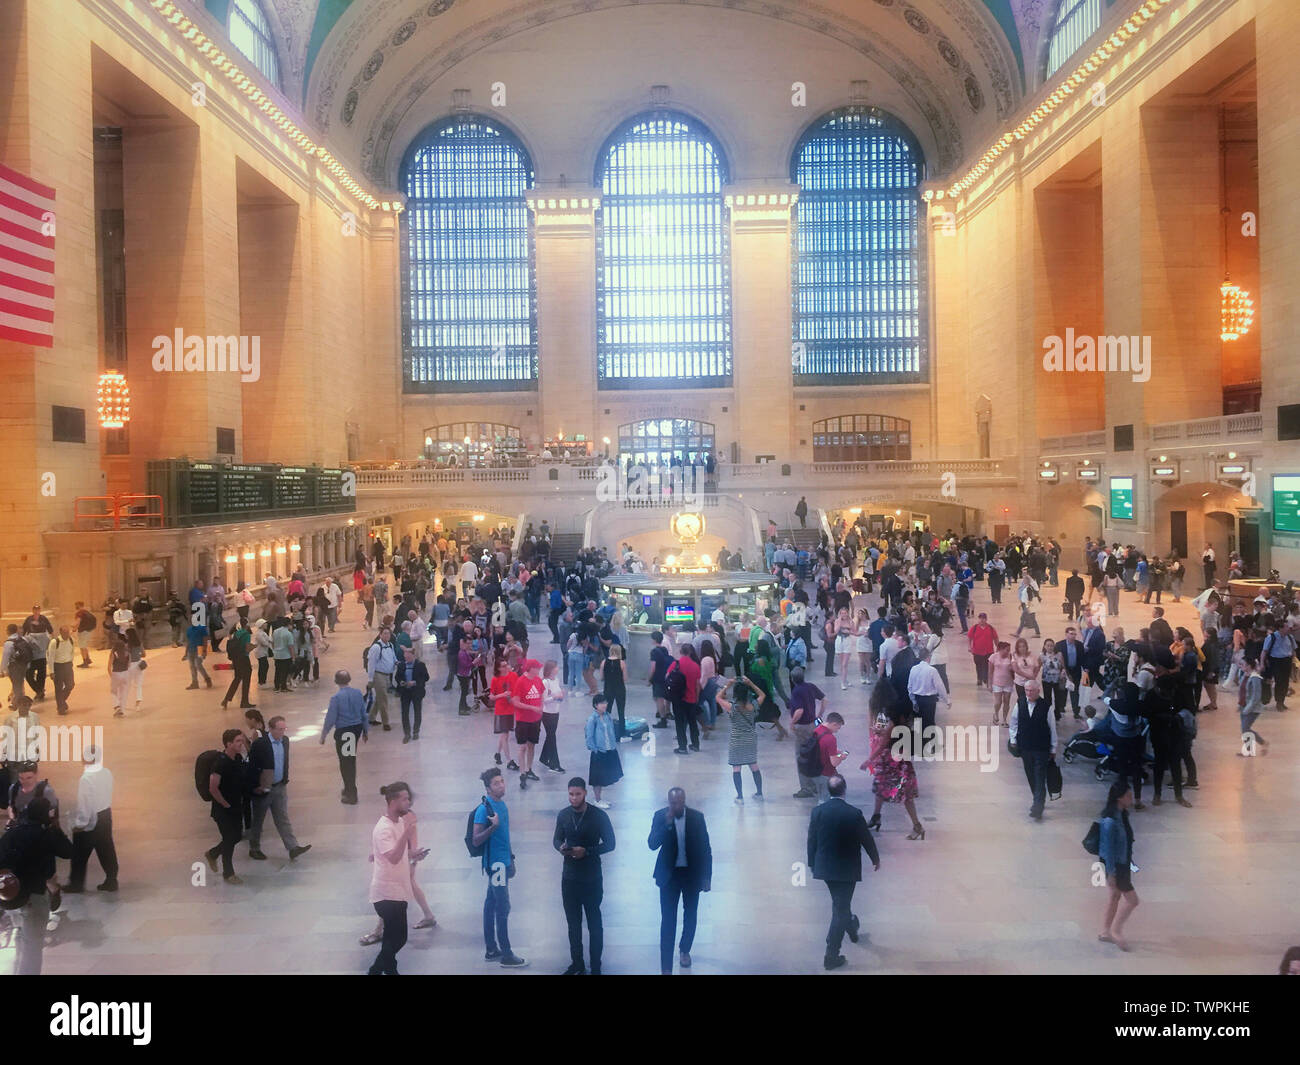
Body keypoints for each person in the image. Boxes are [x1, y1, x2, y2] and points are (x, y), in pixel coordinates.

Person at [806, 774, 880, 971]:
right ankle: (831, 954)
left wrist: (812, 862)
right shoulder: (853, 813)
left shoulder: (818, 812)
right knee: (839, 908)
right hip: (847, 869)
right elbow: (866, 839)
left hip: (826, 869)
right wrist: (875, 859)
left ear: (829, 791)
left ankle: (852, 927)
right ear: (844, 790)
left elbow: (811, 839)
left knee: (840, 904)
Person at [0, 795, 72, 973]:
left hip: (10, 897)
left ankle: (16, 967)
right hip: (34, 896)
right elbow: (68, 851)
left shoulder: (12, 832)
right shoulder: (46, 834)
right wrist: (56, 828)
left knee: (20, 936)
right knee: (33, 947)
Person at [553, 777, 616, 975]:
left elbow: (610, 844)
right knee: (573, 924)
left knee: (594, 924)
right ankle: (577, 963)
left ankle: (596, 966)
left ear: (585, 793)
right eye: (570, 794)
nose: (573, 798)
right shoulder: (563, 815)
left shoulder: (598, 816)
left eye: (577, 794)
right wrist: (561, 847)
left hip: (592, 878)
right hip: (569, 878)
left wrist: (587, 851)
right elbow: (556, 838)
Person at [648, 787, 712, 974]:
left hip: (691, 875)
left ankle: (685, 949)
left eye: (680, 802)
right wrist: (667, 824)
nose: (677, 806)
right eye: (673, 803)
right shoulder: (660, 816)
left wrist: (707, 876)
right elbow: (652, 844)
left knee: (691, 916)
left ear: (685, 801)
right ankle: (666, 967)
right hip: (669, 877)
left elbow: (706, 848)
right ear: (669, 802)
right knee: (668, 921)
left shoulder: (697, 818)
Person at [471, 767, 528, 967]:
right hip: (495, 866)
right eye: (496, 783)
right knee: (503, 906)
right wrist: (492, 826)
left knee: (490, 904)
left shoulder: (501, 805)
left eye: (502, 781)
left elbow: (504, 837)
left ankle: (491, 948)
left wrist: (510, 858)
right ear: (488, 788)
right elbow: (476, 840)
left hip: (503, 862)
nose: (501, 785)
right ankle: (506, 953)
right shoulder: (483, 810)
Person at [367, 782, 418, 975]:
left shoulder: (398, 822)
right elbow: (394, 858)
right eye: (404, 798)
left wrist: (414, 854)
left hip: (398, 891)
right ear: (393, 801)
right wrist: (408, 832)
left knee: (392, 938)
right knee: (398, 938)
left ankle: (390, 971)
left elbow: (401, 853)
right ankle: (374, 971)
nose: (408, 802)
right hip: (386, 894)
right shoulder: (383, 828)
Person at [247, 716, 311, 862]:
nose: (282, 732)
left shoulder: (285, 741)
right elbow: (252, 766)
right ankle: (254, 848)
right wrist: (255, 786)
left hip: (280, 786)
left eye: (284, 729)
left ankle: (293, 847)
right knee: (258, 820)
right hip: (264, 788)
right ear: (271, 729)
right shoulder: (260, 744)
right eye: (279, 729)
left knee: (282, 818)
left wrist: (284, 778)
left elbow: (284, 761)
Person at [64, 746, 118, 893]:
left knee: (79, 853)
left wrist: (80, 824)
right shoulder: (107, 773)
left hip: (92, 818)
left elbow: (85, 805)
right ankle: (112, 880)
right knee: (106, 848)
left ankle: (76, 884)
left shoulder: (86, 779)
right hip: (106, 815)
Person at [1097, 780, 1139, 952]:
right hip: (1117, 867)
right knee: (1132, 900)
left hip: (1123, 862)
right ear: (1119, 798)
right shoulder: (1110, 822)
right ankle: (1116, 930)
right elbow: (1107, 850)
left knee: (1114, 896)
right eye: (1129, 795)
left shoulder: (1122, 815)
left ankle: (1105, 931)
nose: (1132, 798)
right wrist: (1111, 873)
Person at [1009, 678, 1058, 820]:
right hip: (1025, 746)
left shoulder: (1046, 706)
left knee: (1039, 775)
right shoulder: (1020, 703)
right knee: (1030, 774)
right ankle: (1038, 797)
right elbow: (1014, 722)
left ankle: (1038, 805)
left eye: (1031, 690)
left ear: (1038, 691)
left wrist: (1053, 748)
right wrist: (1013, 740)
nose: (1029, 693)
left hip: (1041, 747)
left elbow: (1052, 728)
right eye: (1026, 690)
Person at [203, 729, 247, 884]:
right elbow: (213, 787)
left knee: (237, 836)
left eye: (242, 741)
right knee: (229, 838)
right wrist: (225, 804)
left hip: (235, 806)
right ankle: (228, 873)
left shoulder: (238, 758)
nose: (241, 744)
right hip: (223, 809)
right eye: (238, 741)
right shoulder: (220, 763)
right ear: (228, 744)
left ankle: (213, 853)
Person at [321, 670, 369, 804]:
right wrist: (365, 730)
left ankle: (351, 793)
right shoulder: (358, 693)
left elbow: (331, 717)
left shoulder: (336, 698)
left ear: (336, 681)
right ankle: (348, 788)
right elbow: (363, 713)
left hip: (345, 732)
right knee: (349, 759)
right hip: (356, 728)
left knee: (346, 762)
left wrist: (324, 734)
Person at [717, 675, 765, 805]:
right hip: (750, 739)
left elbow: (718, 697)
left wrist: (728, 684)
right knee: (753, 765)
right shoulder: (753, 706)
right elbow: (762, 695)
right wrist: (751, 683)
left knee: (736, 768)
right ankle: (759, 793)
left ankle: (740, 797)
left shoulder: (731, 707)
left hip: (736, 740)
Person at [788, 667, 825, 799]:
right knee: (812, 754)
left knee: (801, 756)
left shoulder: (796, 691)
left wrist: (792, 723)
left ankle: (806, 788)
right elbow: (824, 699)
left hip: (802, 727)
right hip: (812, 725)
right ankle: (814, 784)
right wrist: (819, 716)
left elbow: (799, 711)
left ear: (792, 679)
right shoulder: (810, 686)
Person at [509, 659, 545, 790]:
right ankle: (522, 773)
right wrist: (532, 708)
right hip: (523, 720)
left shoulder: (538, 680)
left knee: (532, 745)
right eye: (538, 668)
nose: (539, 670)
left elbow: (541, 694)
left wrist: (540, 707)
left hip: (535, 719)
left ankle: (529, 769)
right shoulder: (520, 682)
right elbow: (515, 701)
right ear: (531, 669)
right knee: (522, 747)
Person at [585, 693, 622, 809]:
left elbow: (611, 731)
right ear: (596, 705)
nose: (604, 705)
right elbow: (589, 736)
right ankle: (597, 799)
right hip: (599, 752)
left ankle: (600, 798)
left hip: (609, 749)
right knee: (597, 778)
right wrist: (594, 749)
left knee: (604, 776)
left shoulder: (607, 716)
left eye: (605, 702)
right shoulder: (592, 719)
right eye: (601, 703)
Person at [392, 644, 429, 744]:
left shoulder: (420, 665)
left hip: (417, 692)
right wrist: (401, 682)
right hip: (405, 692)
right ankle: (407, 733)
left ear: (413, 656)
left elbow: (426, 677)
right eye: (405, 657)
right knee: (404, 713)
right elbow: (397, 677)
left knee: (417, 711)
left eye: (408, 657)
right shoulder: (401, 665)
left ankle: (416, 731)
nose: (406, 659)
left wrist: (415, 682)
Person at [219, 616, 256, 711]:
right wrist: (254, 646)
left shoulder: (237, 633)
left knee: (237, 678)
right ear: (247, 625)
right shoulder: (246, 634)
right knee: (246, 679)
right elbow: (247, 648)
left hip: (235, 659)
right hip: (243, 658)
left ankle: (226, 699)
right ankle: (244, 701)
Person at [539, 661, 567, 773]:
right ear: (550, 669)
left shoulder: (556, 680)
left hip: (556, 711)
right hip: (547, 713)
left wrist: (560, 696)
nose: (557, 668)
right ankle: (554, 764)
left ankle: (544, 757)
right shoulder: (545, 682)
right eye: (555, 667)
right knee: (552, 736)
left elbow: (558, 695)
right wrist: (555, 697)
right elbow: (544, 700)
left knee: (550, 736)